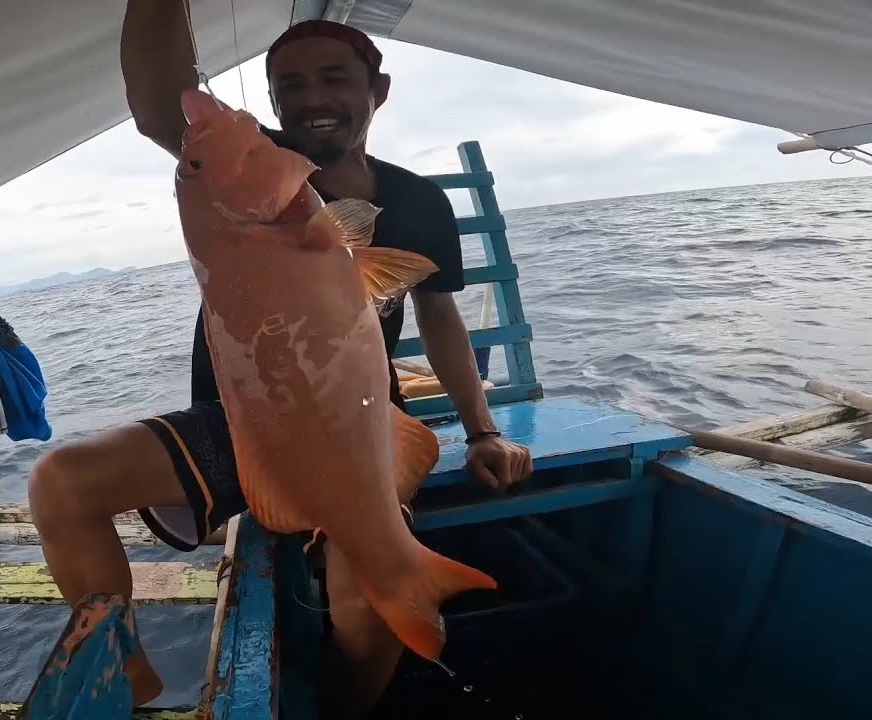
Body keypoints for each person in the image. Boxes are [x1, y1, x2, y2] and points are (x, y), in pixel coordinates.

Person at [27, 7, 534, 715]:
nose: (311, 97)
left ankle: (343, 706)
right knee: (62, 484)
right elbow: (156, 103)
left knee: (375, 606)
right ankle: (130, 675)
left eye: (333, 78)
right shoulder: (252, 169)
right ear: (272, 105)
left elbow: (440, 316)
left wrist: (482, 430)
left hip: (354, 430)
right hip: (237, 425)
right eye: (288, 86)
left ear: (377, 90)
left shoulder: (419, 200)